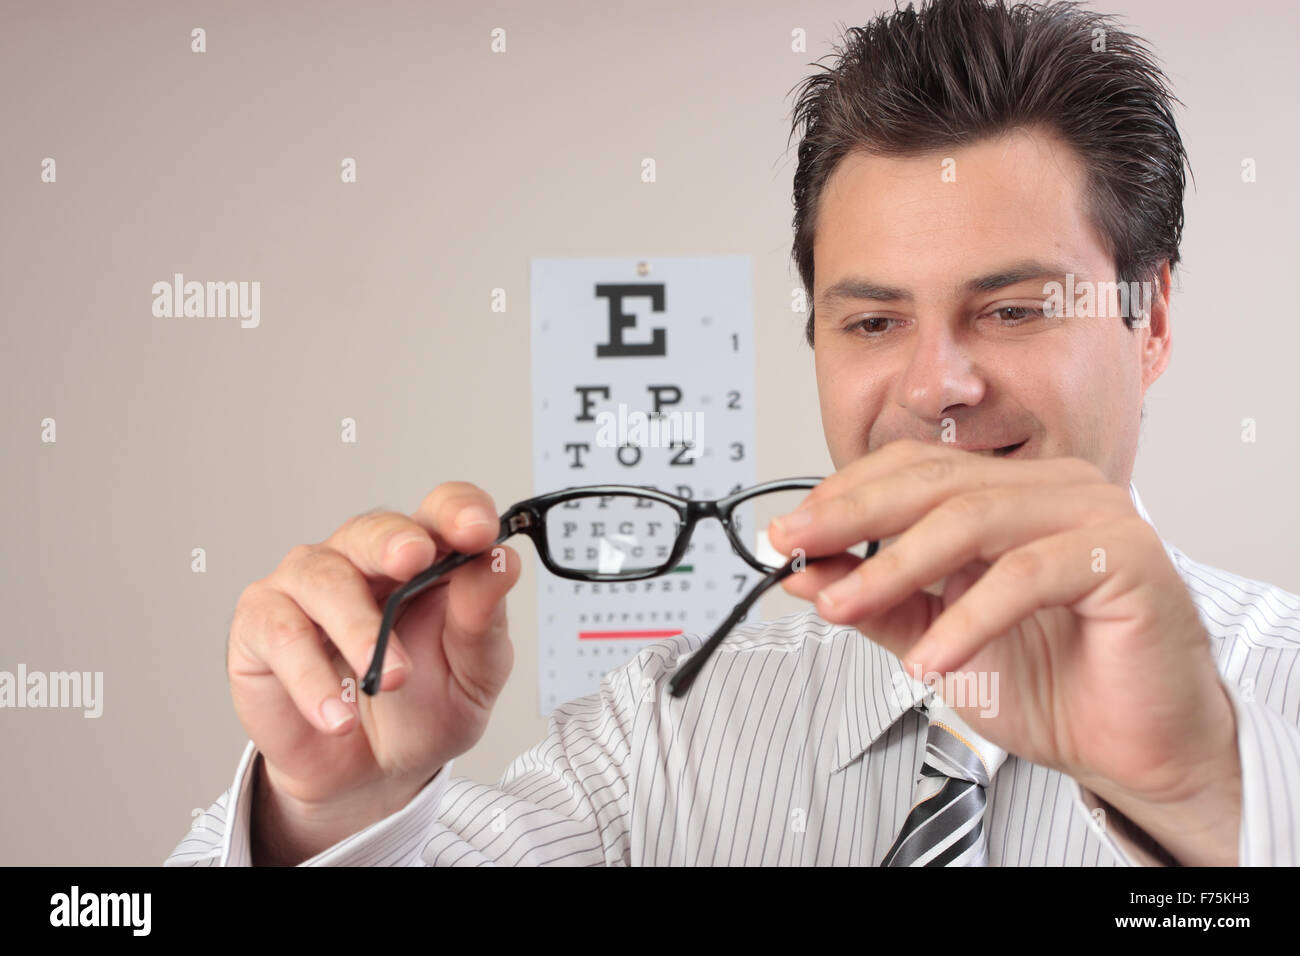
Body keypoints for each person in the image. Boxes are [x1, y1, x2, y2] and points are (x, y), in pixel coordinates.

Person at [166, 0, 1300, 866]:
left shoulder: (1279, 690)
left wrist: (1205, 795)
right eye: (871, 319)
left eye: (1009, 309)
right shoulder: (667, 730)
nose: (937, 384)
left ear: (1146, 320)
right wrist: (328, 807)